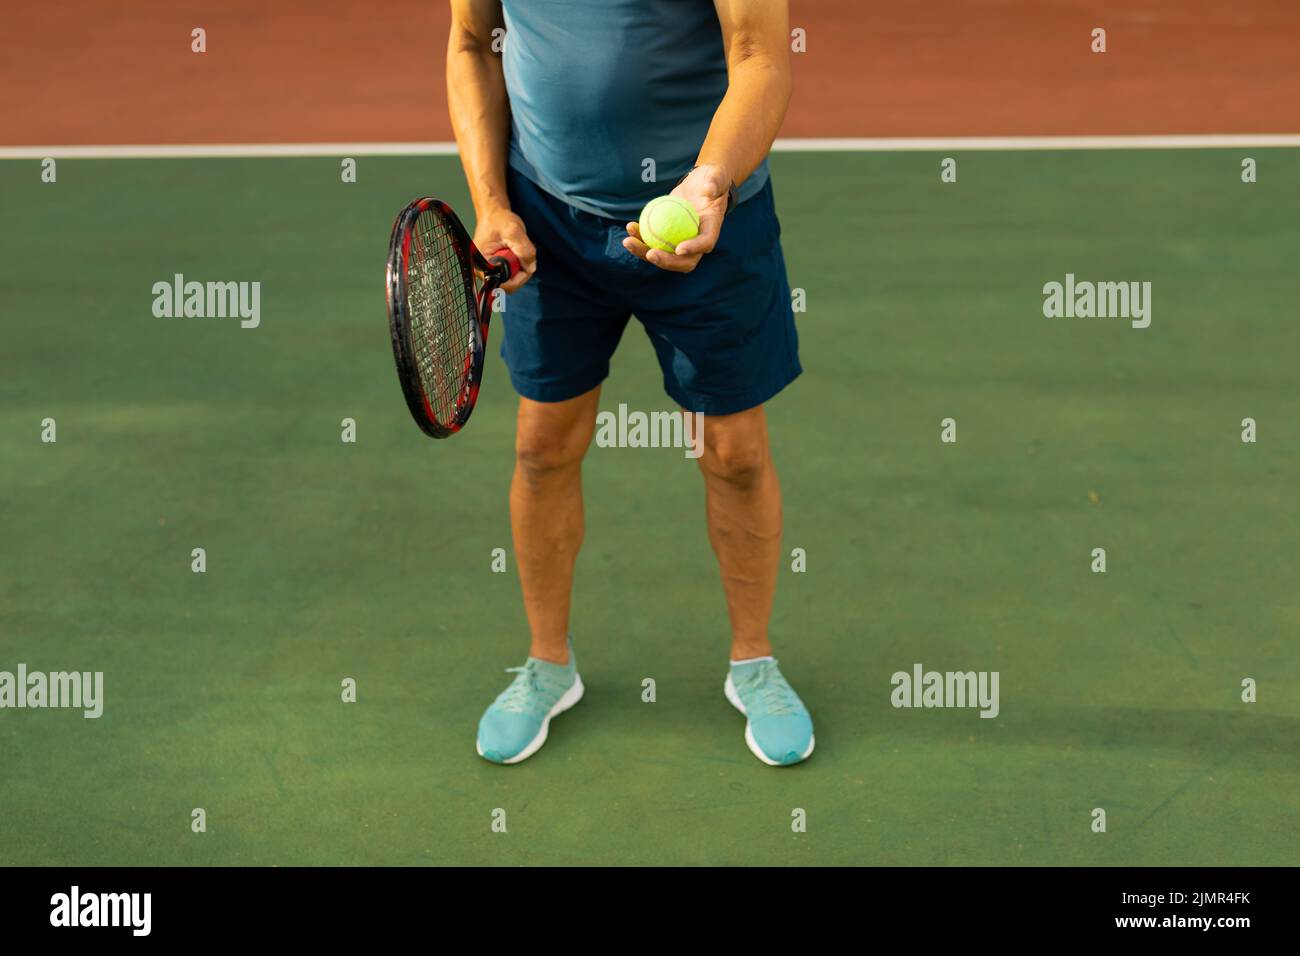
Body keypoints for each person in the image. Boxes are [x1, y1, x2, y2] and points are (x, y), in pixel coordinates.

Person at [447, 0, 812, 766]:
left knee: (735, 452)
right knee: (542, 446)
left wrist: (706, 184)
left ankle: (755, 662)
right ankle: (548, 665)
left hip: (711, 216)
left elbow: (761, 57)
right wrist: (490, 207)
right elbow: (471, 44)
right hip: (547, 217)